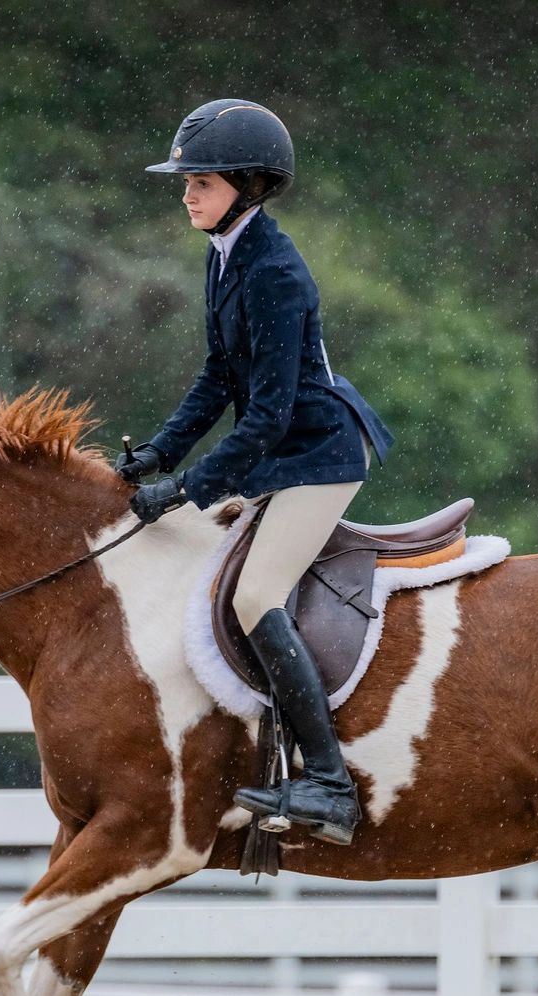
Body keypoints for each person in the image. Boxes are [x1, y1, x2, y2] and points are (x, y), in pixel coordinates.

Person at [119, 99, 394, 846]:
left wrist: (186, 490)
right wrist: (160, 454)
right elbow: (217, 377)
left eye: (199, 181)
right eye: (186, 181)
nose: (186, 193)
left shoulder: (273, 271)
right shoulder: (228, 254)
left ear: (244, 183)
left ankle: (331, 784)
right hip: (285, 449)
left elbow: (266, 417)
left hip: (318, 454)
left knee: (254, 594)